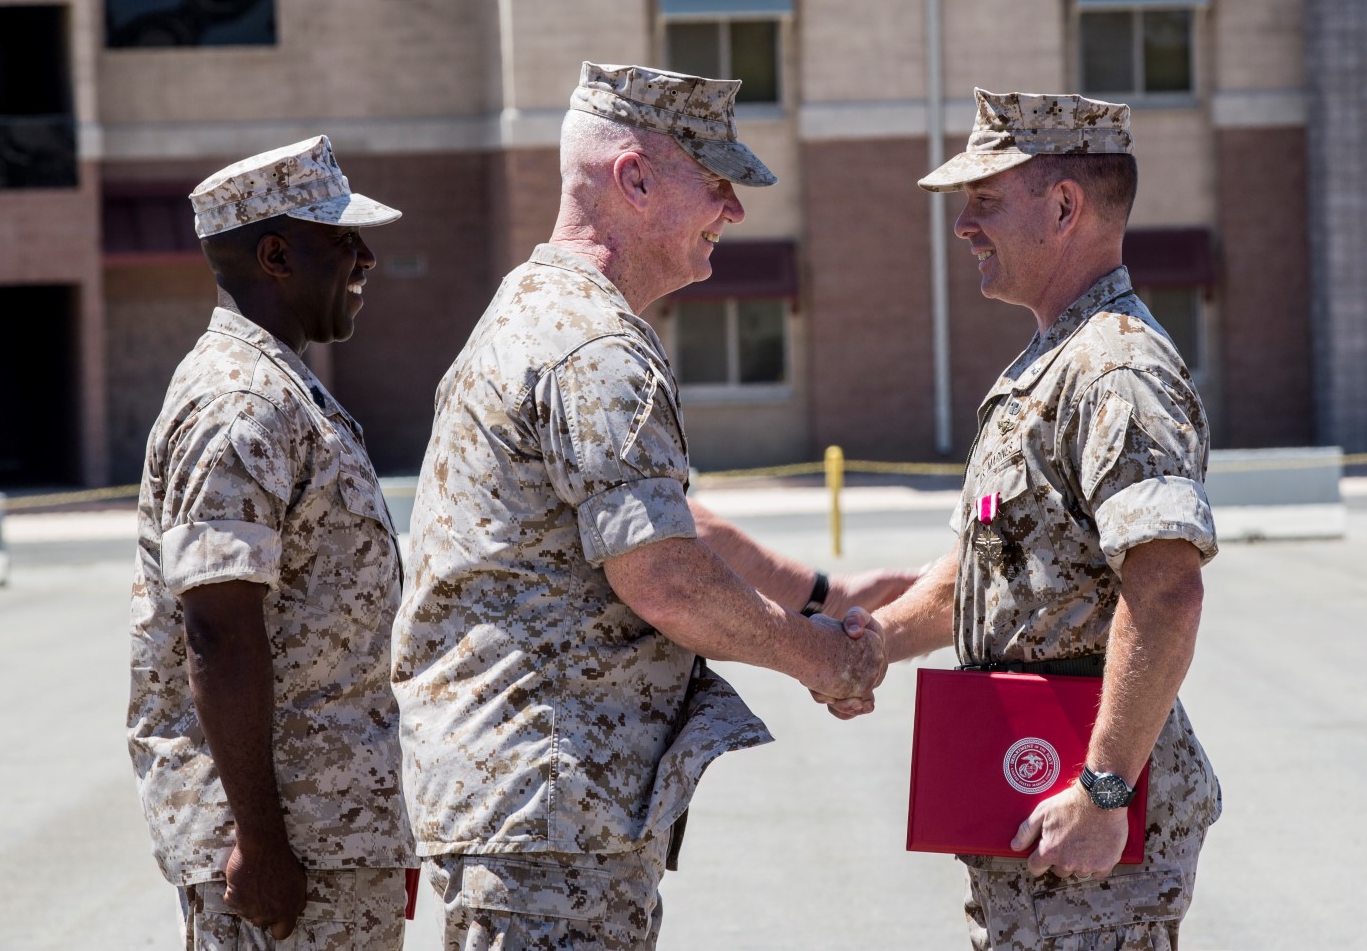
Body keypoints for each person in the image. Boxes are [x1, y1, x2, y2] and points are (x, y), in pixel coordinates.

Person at [391, 62, 898, 950]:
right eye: (716, 183)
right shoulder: (596, 345)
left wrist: (823, 593)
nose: (734, 211)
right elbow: (662, 575)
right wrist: (817, 657)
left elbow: (661, 525)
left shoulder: (532, 307)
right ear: (633, 178)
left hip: (537, 815)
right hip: (551, 822)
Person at [867, 89, 1222, 948]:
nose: (965, 227)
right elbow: (988, 567)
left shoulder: (1114, 370)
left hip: (1092, 828)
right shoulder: (1052, 362)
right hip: (1032, 799)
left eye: (985, 201)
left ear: (1065, 206)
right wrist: (871, 641)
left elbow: (1167, 586)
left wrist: (1106, 788)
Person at [127, 135, 414, 949]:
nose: (366, 256)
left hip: (329, 829)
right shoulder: (239, 401)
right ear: (277, 255)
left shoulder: (281, 386)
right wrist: (261, 840)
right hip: (287, 851)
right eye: (342, 239)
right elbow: (217, 628)